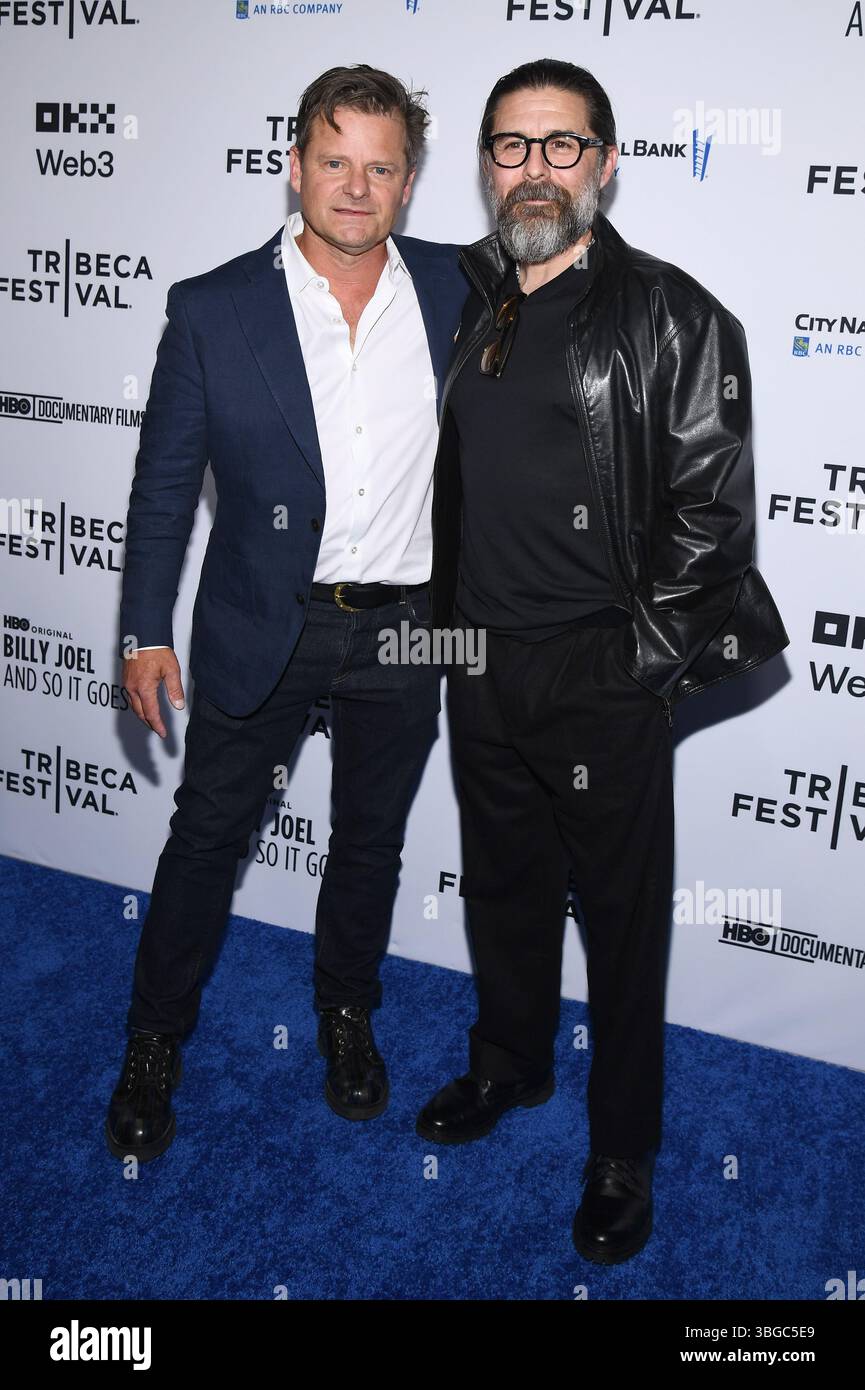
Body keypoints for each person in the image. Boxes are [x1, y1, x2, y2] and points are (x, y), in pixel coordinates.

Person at [416, 59, 789, 1264]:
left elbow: (712, 518)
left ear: (607, 161)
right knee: (505, 890)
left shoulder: (675, 316)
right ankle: (509, 1063)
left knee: (622, 929)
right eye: (511, 147)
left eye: (560, 145)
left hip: (601, 674)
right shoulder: (472, 299)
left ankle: (622, 1148)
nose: (534, 170)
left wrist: (632, 666)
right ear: (486, 166)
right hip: (477, 657)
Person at [106, 64, 468, 1163]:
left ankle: (344, 1012)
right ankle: (152, 1042)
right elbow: (165, 485)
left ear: (408, 182)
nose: (354, 187)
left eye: (380, 165)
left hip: (409, 628)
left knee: (368, 839)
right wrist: (143, 628)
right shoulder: (213, 308)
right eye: (333, 160)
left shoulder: (465, 288)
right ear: (294, 166)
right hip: (266, 619)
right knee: (207, 837)